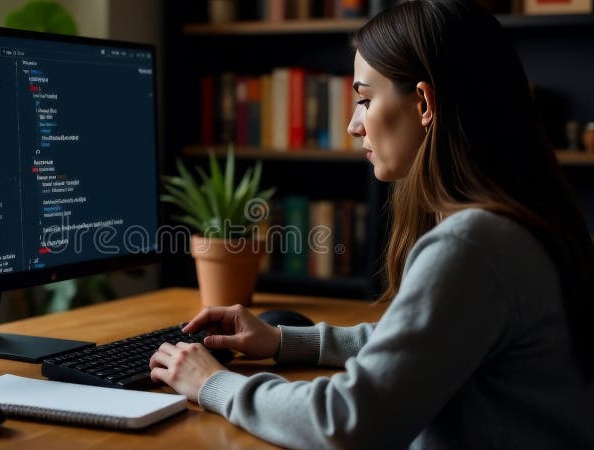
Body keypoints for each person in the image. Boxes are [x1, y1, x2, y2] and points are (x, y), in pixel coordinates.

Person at [149, 1, 594, 448]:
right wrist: (286, 340)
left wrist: (213, 383)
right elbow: (426, 343)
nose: (353, 125)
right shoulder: (513, 221)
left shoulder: (472, 245)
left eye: (364, 99)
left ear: (423, 102)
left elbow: (348, 421)